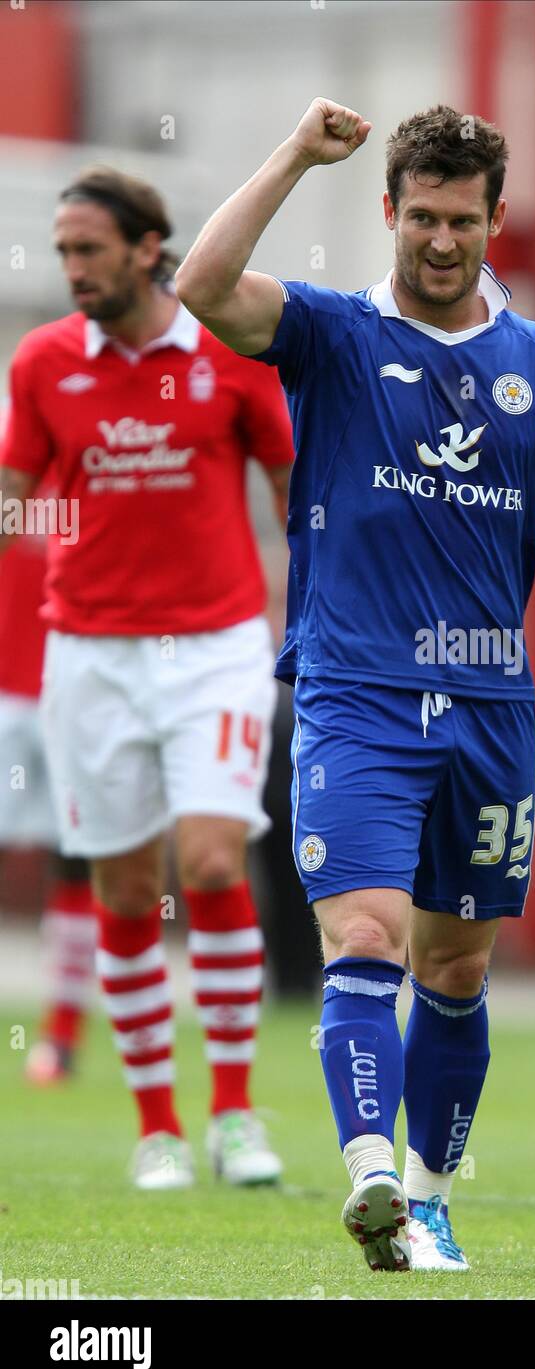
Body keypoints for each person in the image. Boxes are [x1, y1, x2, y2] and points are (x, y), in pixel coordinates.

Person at [176, 98, 535, 1271]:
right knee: (366, 933)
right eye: (420, 216)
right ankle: (370, 1166)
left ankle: (427, 1200)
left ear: (495, 220)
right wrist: (290, 153)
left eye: (462, 220)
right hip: (354, 689)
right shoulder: (328, 332)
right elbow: (203, 286)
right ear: (388, 211)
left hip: (489, 706)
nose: (440, 239)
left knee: (457, 965)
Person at [0, 166, 294, 1190]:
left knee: (211, 861)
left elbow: (294, 485)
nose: (71, 268)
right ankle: (157, 1125)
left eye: (90, 249)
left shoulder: (229, 351)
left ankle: (235, 1113)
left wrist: (320, 606)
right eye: (64, 250)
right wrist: (57, 524)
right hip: (86, 654)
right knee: (125, 886)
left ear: (147, 246)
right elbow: (15, 499)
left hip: (215, 648)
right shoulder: (41, 363)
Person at [0, 519, 96, 1084]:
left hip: (73, 692)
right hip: (4, 697)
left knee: (77, 860)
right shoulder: (15, 467)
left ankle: (61, 1037)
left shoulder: (91, 458)